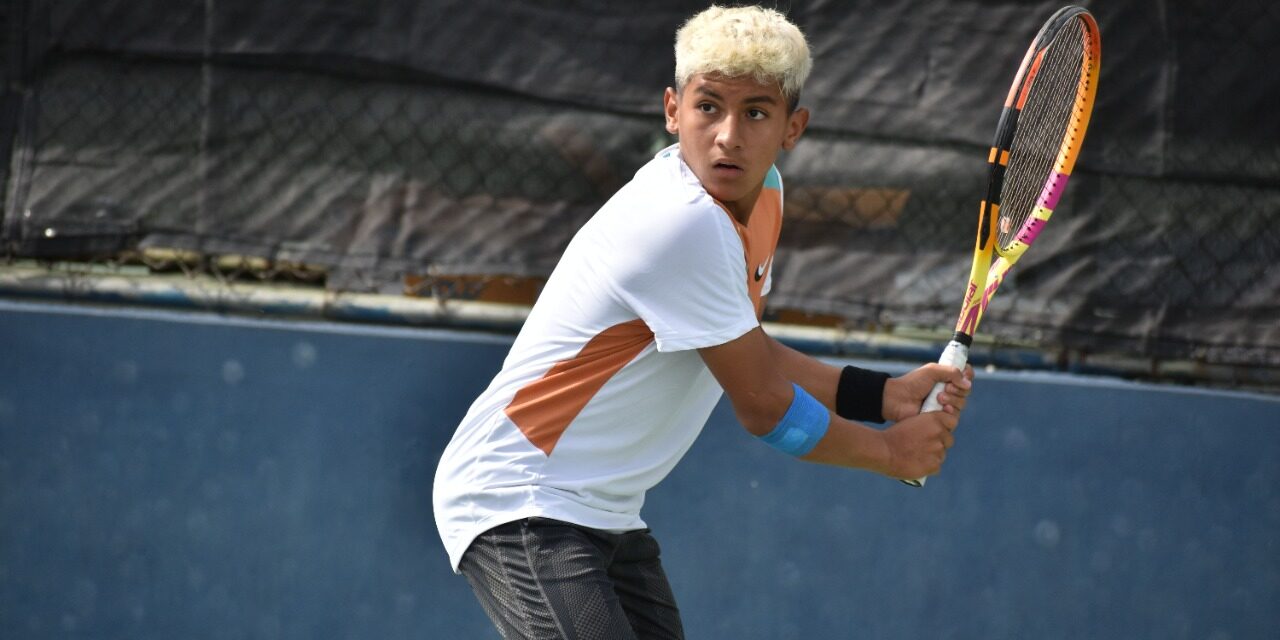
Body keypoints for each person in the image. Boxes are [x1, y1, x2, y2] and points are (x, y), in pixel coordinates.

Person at [433, 5, 974, 639]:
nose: (727, 136)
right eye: (708, 106)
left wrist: (879, 395)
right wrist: (885, 450)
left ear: (792, 126)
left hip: (603, 509)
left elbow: (745, 354)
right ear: (672, 110)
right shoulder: (680, 222)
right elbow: (764, 406)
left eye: (755, 113)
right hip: (519, 497)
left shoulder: (762, 196)